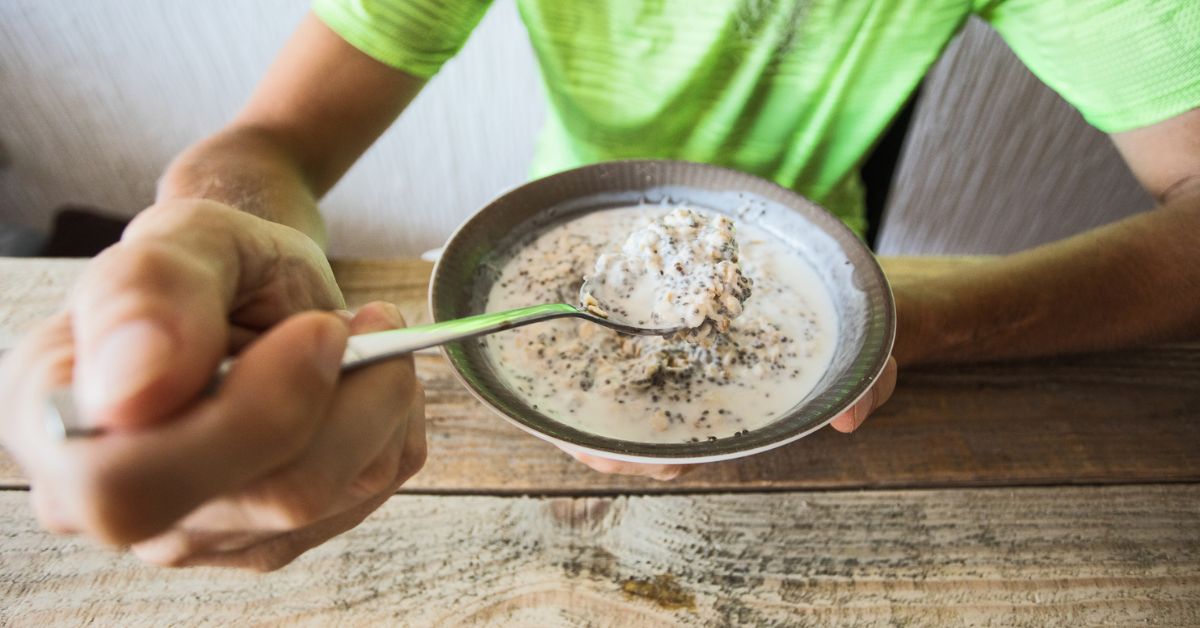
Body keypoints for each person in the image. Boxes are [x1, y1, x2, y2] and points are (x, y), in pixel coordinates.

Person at [1, 0, 1197, 572]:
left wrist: (898, 322)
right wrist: (217, 227)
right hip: (559, 257)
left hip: (838, 318)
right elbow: (270, 148)